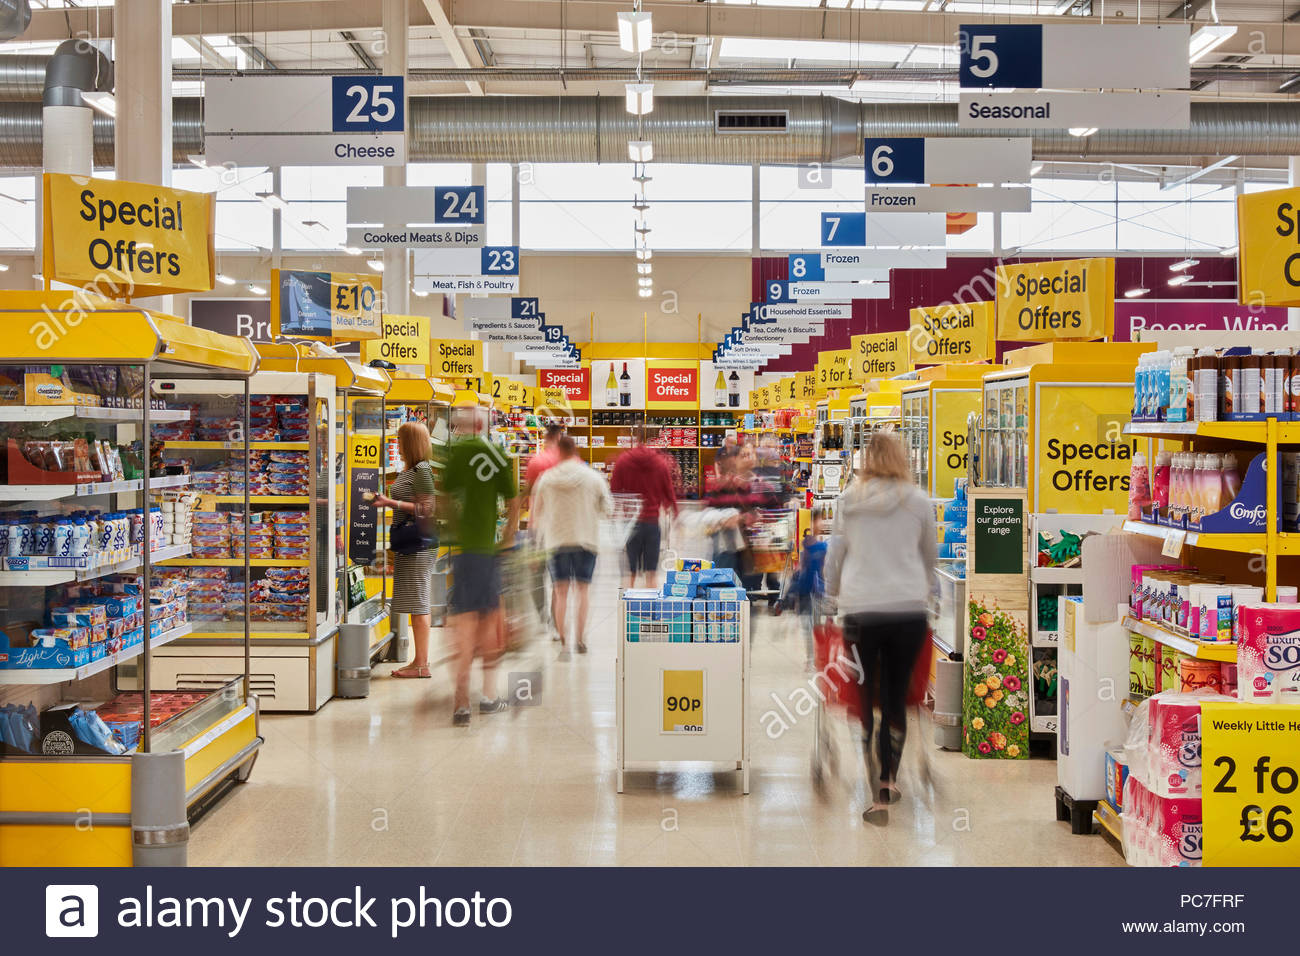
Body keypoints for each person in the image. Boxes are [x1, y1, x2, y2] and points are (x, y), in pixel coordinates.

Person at [823, 431, 936, 826]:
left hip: (861, 611)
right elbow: (929, 558)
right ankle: (890, 778)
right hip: (908, 612)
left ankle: (877, 799)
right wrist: (930, 597)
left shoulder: (849, 500)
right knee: (896, 695)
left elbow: (835, 556)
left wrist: (831, 595)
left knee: (866, 695)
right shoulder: (919, 502)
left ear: (866, 458)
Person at [438, 405, 520, 726]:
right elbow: (514, 500)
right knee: (490, 623)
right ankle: (488, 696)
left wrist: (455, 525)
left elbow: (442, 496)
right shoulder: (495, 452)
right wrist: (508, 535)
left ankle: (461, 701)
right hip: (489, 552)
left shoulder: (455, 454)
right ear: (482, 424)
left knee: (463, 622)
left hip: (463, 552)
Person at [530, 435, 613, 658]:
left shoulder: (546, 479)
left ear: (559, 452)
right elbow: (608, 508)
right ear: (575, 451)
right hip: (586, 540)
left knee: (560, 591)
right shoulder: (593, 478)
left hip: (556, 541)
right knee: (582, 591)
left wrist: (537, 546)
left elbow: (536, 514)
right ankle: (580, 638)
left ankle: (565, 641)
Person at [373, 422, 437, 680]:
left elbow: (428, 508)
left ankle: (422, 664)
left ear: (410, 443)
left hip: (419, 544)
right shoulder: (410, 469)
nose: (396, 445)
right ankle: (418, 661)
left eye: (400, 440)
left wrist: (390, 502)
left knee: (419, 602)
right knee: (416, 601)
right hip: (412, 543)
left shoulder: (422, 470)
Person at [609, 425, 677, 588]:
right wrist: (673, 509)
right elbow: (669, 491)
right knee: (651, 574)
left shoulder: (623, 461)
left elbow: (614, 491)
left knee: (630, 573)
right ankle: (651, 611)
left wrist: (614, 515)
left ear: (636, 438)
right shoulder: (660, 463)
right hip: (652, 523)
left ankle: (628, 611)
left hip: (631, 524)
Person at [790, 509, 829, 670]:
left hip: (816, 589)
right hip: (808, 588)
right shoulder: (814, 544)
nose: (821, 523)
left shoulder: (815, 544)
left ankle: (816, 658)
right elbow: (804, 567)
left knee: (816, 625)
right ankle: (812, 658)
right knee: (809, 625)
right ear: (813, 522)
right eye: (819, 520)